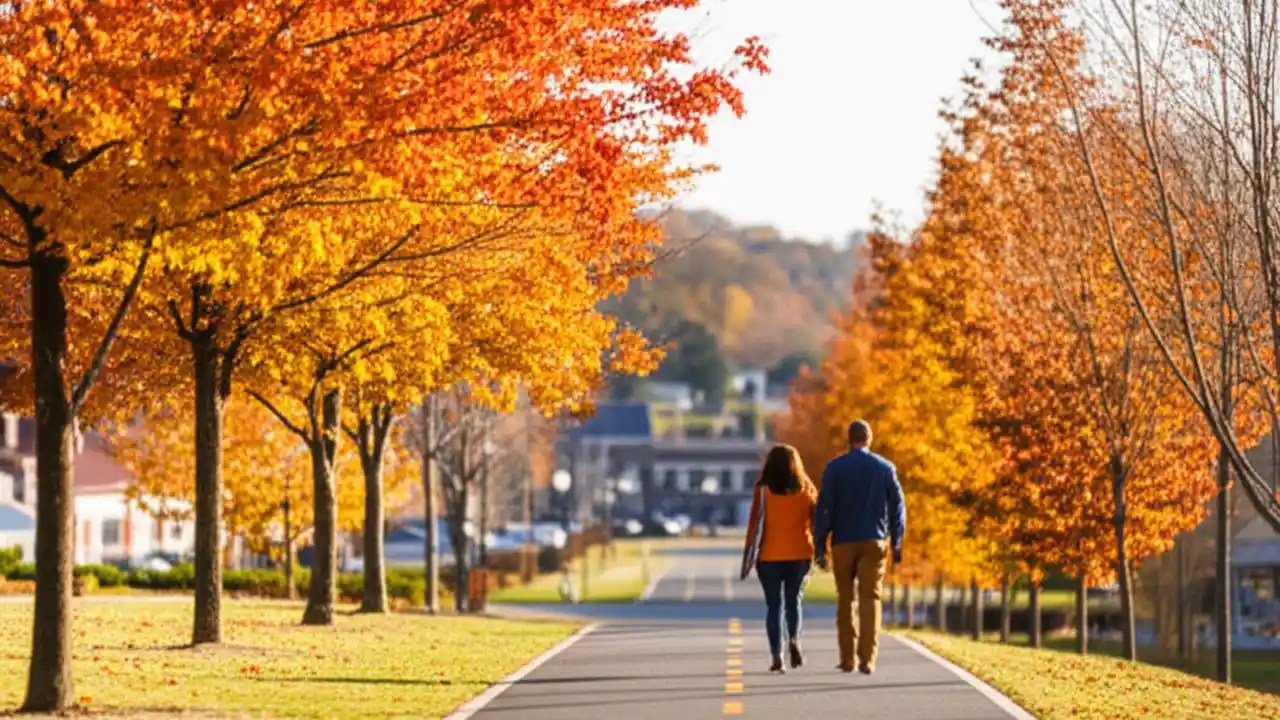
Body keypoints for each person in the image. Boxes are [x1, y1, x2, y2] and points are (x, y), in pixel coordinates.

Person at [814, 419, 906, 675]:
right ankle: (868, 659)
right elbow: (898, 507)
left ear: (848, 438)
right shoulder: (885, 469)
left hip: (843, 541)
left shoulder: (834, 468)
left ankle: (847, 659)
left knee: (846, 600)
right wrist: (896, 539)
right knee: (871, 598)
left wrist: (820, 543)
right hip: (874, 541)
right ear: (870, 439)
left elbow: (824, 507)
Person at [740, 444, 817, 673]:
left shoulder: (763, 491)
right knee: (794, 601)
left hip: (769, 556)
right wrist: (822, 550)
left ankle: (777, 656)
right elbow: (816, 521)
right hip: (800, 554)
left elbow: (755, 524)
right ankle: (794, 638)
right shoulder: (806, 489)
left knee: (774, 606)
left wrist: (748, 558)